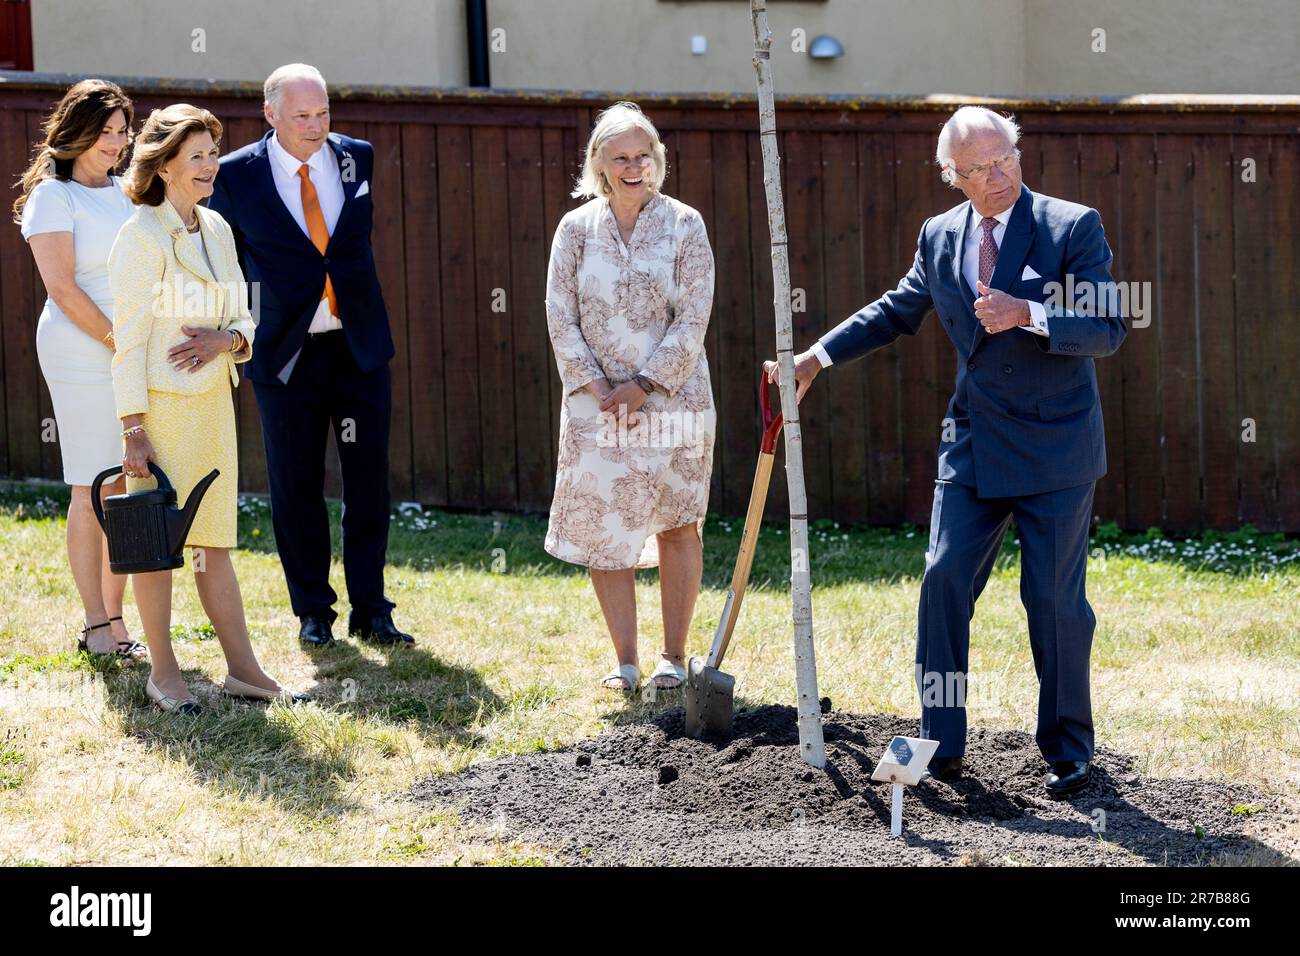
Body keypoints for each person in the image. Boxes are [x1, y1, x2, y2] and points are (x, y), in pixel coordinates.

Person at [767, 106, 1126, 796]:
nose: (999, 176)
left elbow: (1109, 326)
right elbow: (898, 307)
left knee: (1052, 601)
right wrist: (818, 355)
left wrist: (1030, 314)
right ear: (951, 176)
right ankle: (940, 743)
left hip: (1056, 449)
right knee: (942, 580)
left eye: (1005, 159)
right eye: (980, 168)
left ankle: (1069, 750)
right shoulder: (940, 235)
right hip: (973, 444)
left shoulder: (1069, 226)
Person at [110, 103, 307, 713]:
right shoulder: (140, 236)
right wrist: (133, 427)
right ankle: (163, 673)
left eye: (212, 154)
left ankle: (244, 671)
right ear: (164, 166)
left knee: (212, 542)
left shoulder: (218, 228)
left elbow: (240, 311)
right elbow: (130, 339)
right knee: (158, 542)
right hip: (162, 414)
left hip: (215, 407)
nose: (209, 166)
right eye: (195, 156)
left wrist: (231, 340)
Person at [208, 63, 410, 649]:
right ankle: (313, 612)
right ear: (270, 115)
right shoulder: (236, 175)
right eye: (302, 116)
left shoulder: (357, 157)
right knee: (296, 485)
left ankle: (372, 609)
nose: (316, 125)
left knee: (368, 482)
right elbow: (230, 264)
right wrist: (243, 327)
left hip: (359, 345)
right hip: (282, 353)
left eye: (323, 113)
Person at [544, 102, 717, 692]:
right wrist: (598, 388)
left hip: (673, 401)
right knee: (604, 529)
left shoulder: (685, 225)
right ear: (598, 163)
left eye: (645, 155)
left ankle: (673, 656)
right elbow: (558, 315)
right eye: (621, 157)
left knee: (676, 524)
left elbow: (694, 317)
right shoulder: (574, 230)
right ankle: (625, 661)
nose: (634, 166)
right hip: (596, 405)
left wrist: (642, 386)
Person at [14, 79, 146, 662]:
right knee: (91, 482)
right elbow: (62, 288)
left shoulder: (127, 192)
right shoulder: (53, 196)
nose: (117, 142)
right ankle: (94, 622)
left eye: (123, 131)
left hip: (128, 348)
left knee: (122, 481)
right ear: (77, 130)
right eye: (106, 131)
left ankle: (117, 621)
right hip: (79, 347)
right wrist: (118, 342)